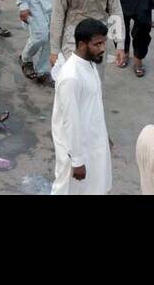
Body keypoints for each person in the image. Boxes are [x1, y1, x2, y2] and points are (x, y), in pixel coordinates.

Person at [51, 17, 112, 195]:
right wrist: (77, 161)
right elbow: (70, 121)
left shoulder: (89, 65)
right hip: (76, 151)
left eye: (103, 43)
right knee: (67, 190)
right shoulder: (71, 76)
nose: (102, 49)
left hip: (92, 143)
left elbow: (92, 107)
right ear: (81, 44)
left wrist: (103, 135)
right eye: (97, 44)